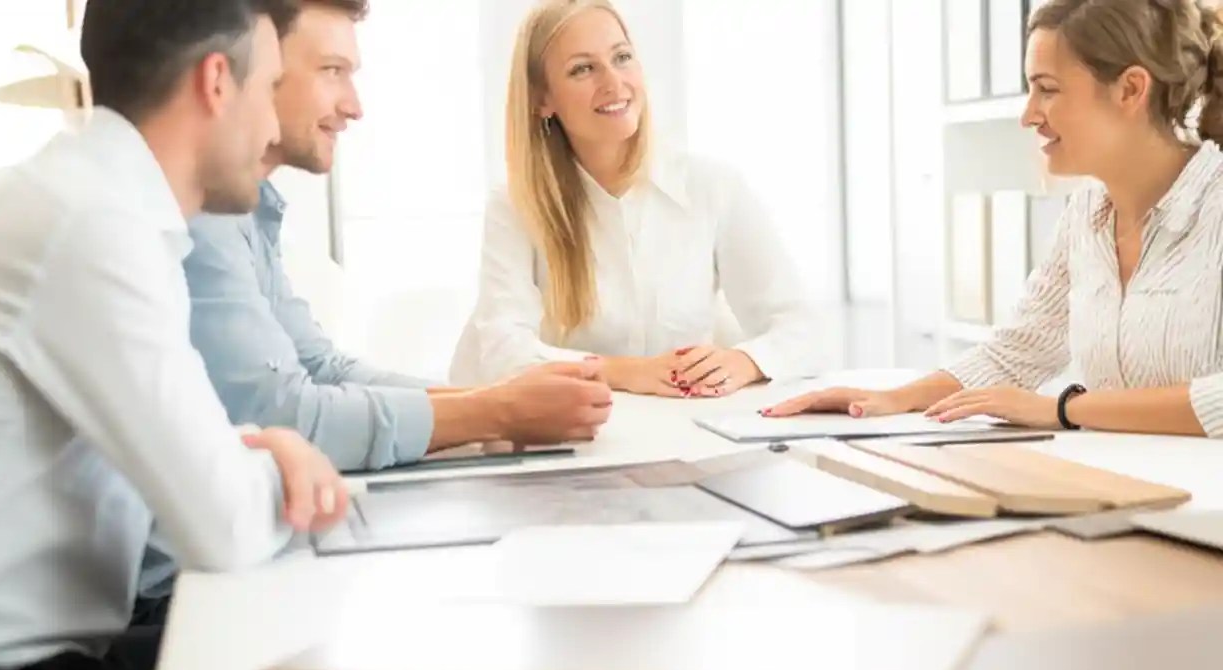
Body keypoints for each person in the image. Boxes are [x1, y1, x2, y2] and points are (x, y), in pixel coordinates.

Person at [0, 1, 350, 670]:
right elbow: (221, 526)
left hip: (43, 658)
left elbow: (164, 454)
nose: (270, 128)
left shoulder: (92, 201)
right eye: (269, 88)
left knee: (316, 638)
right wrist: (280, 458)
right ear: (216, 83)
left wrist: (250, 452)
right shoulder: (89, 224)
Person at [184, 0, 614, 475]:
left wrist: (501, 400)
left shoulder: (248, 212)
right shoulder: (198, 222)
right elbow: (285, 415)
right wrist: (498, 412)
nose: (354, 106)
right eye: (332, 71)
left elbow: (322, 368)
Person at [767, 0, 1223, 438]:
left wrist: (1061, 409)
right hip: (1131, 486)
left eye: (1047, 89)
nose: (1028, 115)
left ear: (1130, 89)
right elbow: (1018, 351)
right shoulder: (1086, 213)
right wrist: (895, 398)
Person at [449, 0, 820, 398]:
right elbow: (502, 353)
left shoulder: (713, 187)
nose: (613, 83)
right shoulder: (516, 206)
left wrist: (746, 361)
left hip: (686, 435)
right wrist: (621, 372)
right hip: (576, 444)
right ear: (543, 99)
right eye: (583, 69)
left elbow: (802, 330)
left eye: (621, 57)